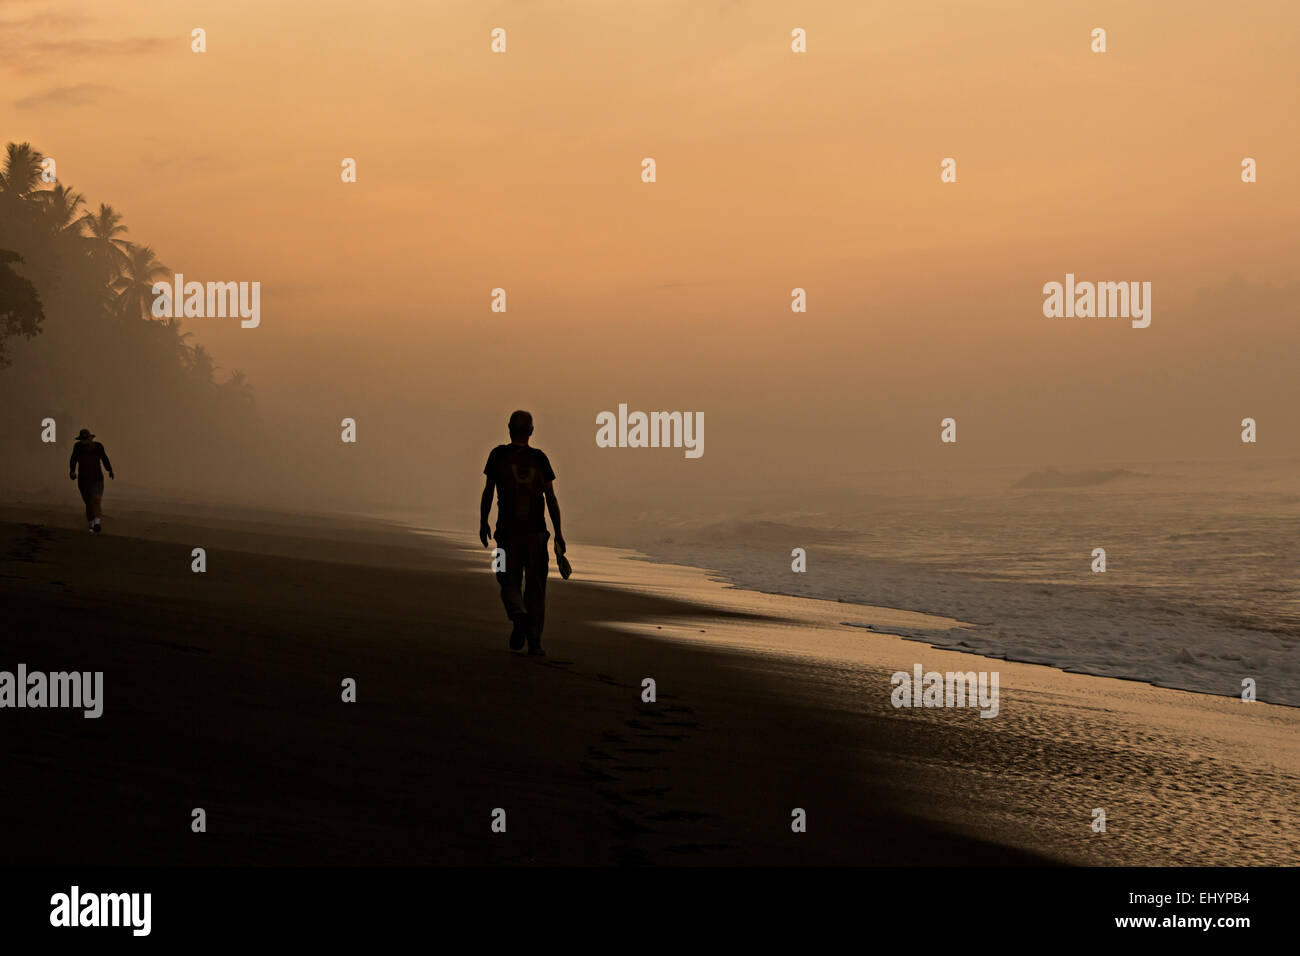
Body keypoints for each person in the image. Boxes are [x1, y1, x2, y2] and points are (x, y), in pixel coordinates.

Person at [479, 410, 565, 656]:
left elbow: (488, 492)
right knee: (537, 587)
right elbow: (551, 498)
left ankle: (517, 611)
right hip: (537, 534)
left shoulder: (497, 456)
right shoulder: (540, 459)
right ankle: (535, 642)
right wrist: (558, 533)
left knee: (506, 577)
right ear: (531, 431)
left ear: (509, 428)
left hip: (506, 533)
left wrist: (483, 521)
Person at [69, 428, 114, 534]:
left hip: (97, 478)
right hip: (83, 479)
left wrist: (109, 470)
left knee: (96, 500)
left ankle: (97, 523)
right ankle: (91, 524)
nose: (85, 443)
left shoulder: (98, 447)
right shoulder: (77, 447)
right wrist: (72, 471)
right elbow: (73, 460)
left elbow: (104, 458)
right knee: (89, 503)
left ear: (91, 439)